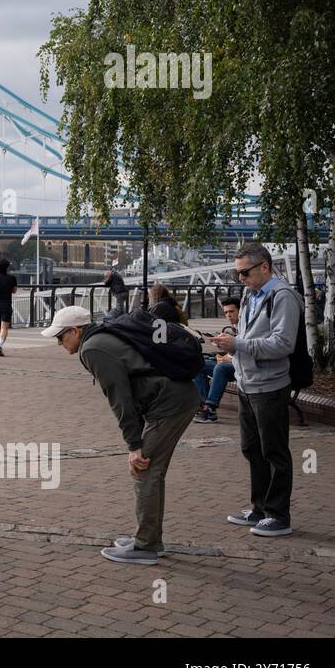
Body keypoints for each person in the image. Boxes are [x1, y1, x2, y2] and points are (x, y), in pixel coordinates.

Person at [43, 305, 198, 565]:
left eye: (61, 337)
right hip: (175, 397)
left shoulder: (92, 349)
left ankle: (146, 546)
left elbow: (120, 398)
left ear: (75, 331)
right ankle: (150, 540)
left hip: (170, 404)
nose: (59, 343)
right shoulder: (104, 336)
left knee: (144, 469)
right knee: (151, 470)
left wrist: (134, 445)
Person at [211, 242, 301, 538]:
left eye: (244, 273)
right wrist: (232, 343)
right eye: (237, 274)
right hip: (247, 383)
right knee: (252, 448)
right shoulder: (251, 293)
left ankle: (279, 515)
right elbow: (249, 335)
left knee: (274, 450)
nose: (241, 279)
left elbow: (282, 344)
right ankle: (260, 508)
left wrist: (237, 345)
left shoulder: (283, 296)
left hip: (270, 386)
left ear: (264, 267)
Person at [193, 297, 239, 423]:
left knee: (220, 368)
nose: (229, 315)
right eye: (226, 313)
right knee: (197, 364)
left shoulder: (246, 325)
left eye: (232, 312)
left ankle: (211, 408)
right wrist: (221, 346)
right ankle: (203, 405)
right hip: (232, 360)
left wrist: (228, 358)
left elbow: (246, 348)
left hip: (242, 365)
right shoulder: (235, 326)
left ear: (240, 311)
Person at [0, 258, 18, 356]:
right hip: (6, 306)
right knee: (4, 327)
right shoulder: (12, 278)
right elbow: (14, 291)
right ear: (7, 267)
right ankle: (0, 346)